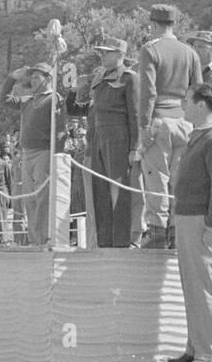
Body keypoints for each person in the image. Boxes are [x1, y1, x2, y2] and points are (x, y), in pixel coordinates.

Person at [165, 82, 212, 362]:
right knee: (191, 287)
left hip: (201, 222)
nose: (184, 106)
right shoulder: (198, 137)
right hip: (186, 218)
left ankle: (208, 350)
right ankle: (194, 347)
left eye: (188, 101)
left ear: (202, 104)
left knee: (204, 287)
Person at [136, 4, 202, 249]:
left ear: (153, 24)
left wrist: (144, 127)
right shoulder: (190, 53)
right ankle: (177, 231)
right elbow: (198, 91)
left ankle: (158, 231)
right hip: (184, 120)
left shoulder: (150, 50)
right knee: (178, 179)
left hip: (160, 119)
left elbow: (148, 92)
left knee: (156, 178)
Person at [67, 38, 140, 248]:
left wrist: (135, 146)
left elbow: (135, 115)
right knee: (100, 190)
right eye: (102, 52)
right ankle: (105, 239)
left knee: (119, 188)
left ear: (120, 54)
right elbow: (83, 110)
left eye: (107, 52)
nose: (103, 56)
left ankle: (121, 239)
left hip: (118, 137)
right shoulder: (99, 80)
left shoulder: (129, 78)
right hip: (98, 137)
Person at [15, 64, 64, 245]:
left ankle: (43, 239)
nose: (33, 81)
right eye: (32, 78)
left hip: (43, 151)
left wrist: (56, 156)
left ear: (48, 78)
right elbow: (4, 100)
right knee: (29, 197)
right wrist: (13, 78)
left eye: (37, 77)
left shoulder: (54, 99)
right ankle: (34, 239)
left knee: (42, 197)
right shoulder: (29, 101)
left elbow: (60, 130)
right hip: (26, 152)